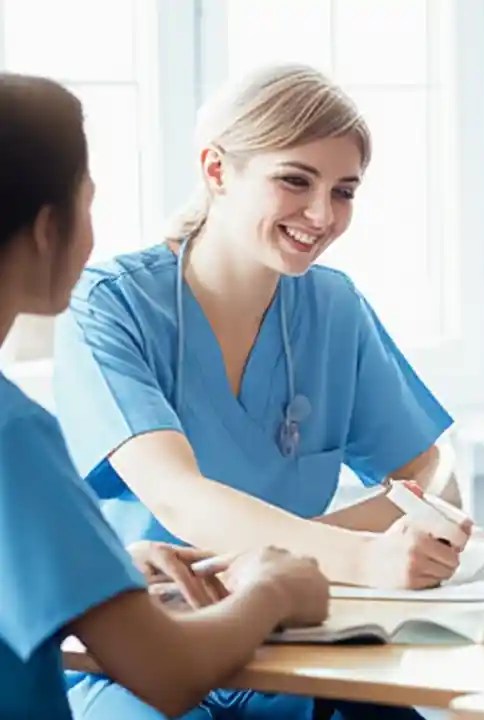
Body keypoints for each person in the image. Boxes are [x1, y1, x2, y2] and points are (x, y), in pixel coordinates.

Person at [52, 64, 470, 717]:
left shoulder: (333, 307)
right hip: (140, 660)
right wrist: (359, 557)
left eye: (344, 191)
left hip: (298, 650)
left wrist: (299, 556)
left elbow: (431, 475)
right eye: (295, 180)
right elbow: (181, 498)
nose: (321, 215)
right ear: (217, 170)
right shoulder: (110, 306)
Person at [0, 71, 330, 720]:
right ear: (48, 228)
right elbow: (169, 671)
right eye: (88, 203)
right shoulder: (13, 433)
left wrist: (104, 570)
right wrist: (273, 589)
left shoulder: (333, 307)